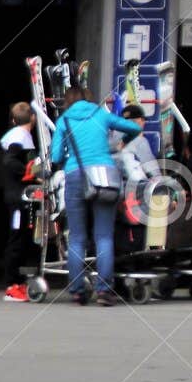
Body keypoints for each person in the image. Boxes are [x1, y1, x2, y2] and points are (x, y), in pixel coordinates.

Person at [50, 86, 145, 306]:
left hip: (76, 175)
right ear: (88, 97)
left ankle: (78, 291)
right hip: (106, 175)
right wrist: (120, 143)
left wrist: (69, 153)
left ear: (68, 101)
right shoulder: (100, 114)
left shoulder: (64, 121)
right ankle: (104, 291)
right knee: (103, 236)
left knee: (77, 237)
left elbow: (55, 156)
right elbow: (133, 127)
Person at [0, 101, 38, 302]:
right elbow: (10, 161)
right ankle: (12, 285)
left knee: (21, 239)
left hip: (21, 197)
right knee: (16, 240)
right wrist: (29, 172)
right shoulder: (18, 138)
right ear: (33, 118)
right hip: (17, 198)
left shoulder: (20, 135)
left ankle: (18, 282)